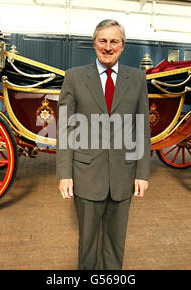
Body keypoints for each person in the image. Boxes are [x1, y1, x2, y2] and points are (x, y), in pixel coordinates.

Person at [56, 19, 150, 270]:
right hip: (86, 174)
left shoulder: (138, 78)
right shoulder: (74, 78)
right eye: (103, 41)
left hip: (124, 175)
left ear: (123, 46)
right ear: (94, 44)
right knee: (86, 243)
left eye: (114, 41)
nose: (108, 47)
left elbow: (141, 128)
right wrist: (65, 175)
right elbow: (66, 129)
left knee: (115, 243)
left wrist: (142, 173)